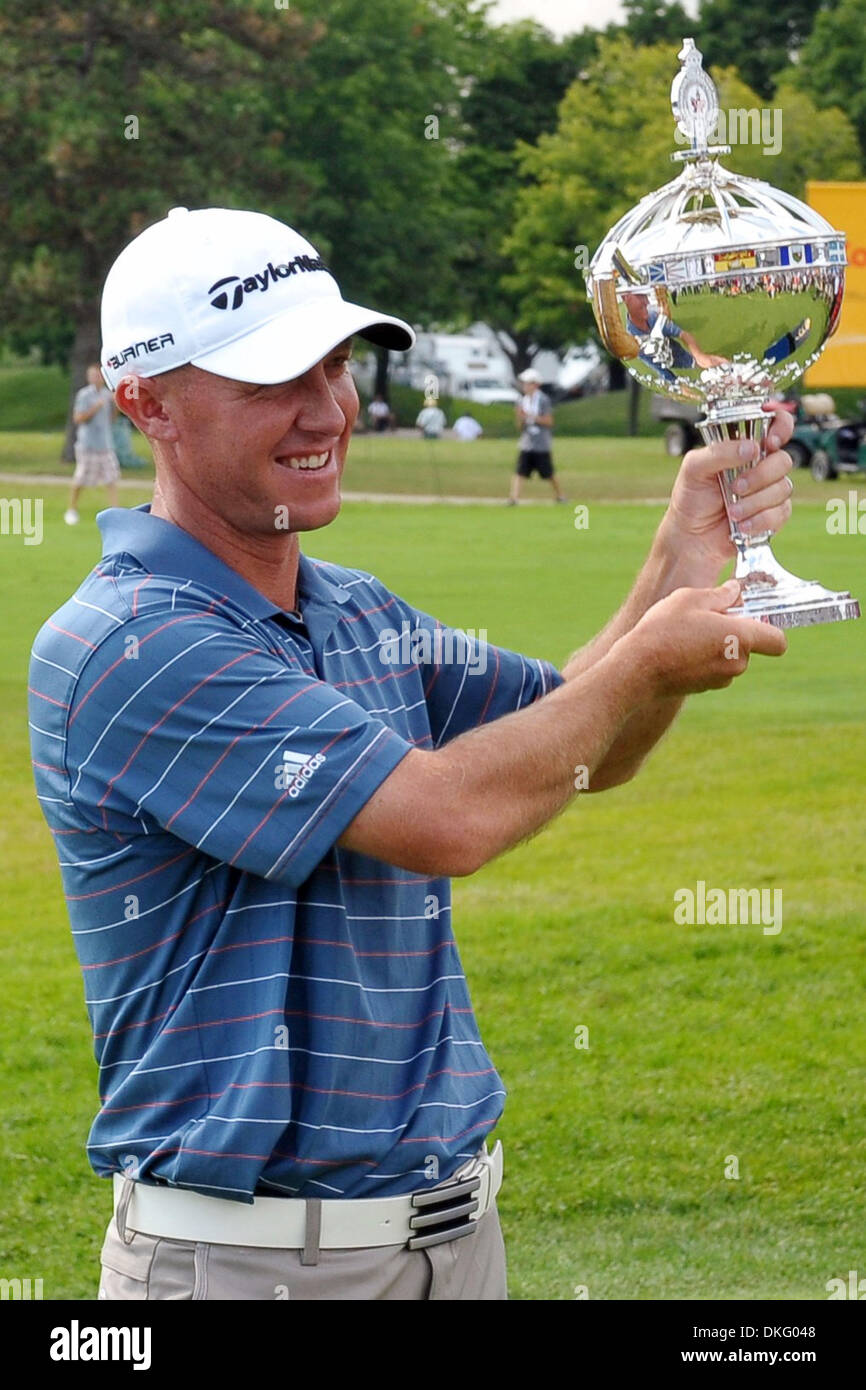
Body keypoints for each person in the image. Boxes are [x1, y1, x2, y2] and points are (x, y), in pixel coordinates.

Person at [29, 206, 794, 1302]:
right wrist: (649, 663)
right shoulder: (128, 645)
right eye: (272, 380)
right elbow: (448, 818)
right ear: (144, 401)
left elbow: (578, 739)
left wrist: (678, 557)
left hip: (451, 1243)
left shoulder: (351, 605)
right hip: (249, 1263)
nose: (327, 409)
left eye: (334, 366)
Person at [65, 363, 121, 524]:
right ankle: (71, 509)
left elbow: (112, 419)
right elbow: (78, 418)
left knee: (111, 479)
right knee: (80, 478)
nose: (95, 378)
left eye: (97, 375)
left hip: (105, 443)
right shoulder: (84, 395)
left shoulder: (107, 394)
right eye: (92, 375)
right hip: (87, 444)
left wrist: (115, 405)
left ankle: (116, 512)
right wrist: (95, 408)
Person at [507, 368, 566, 504]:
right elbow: (520, 426)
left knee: (548, 473)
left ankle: (560, 496)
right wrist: (520, 417)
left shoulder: (543, 400)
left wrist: (530, 416)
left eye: (528, 383)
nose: (525, 386)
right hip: (527, 442)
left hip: (541, 443)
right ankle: (514, 498)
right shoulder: (522, 401)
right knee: (519, 472)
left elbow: (549, 421)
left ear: (536, 384)